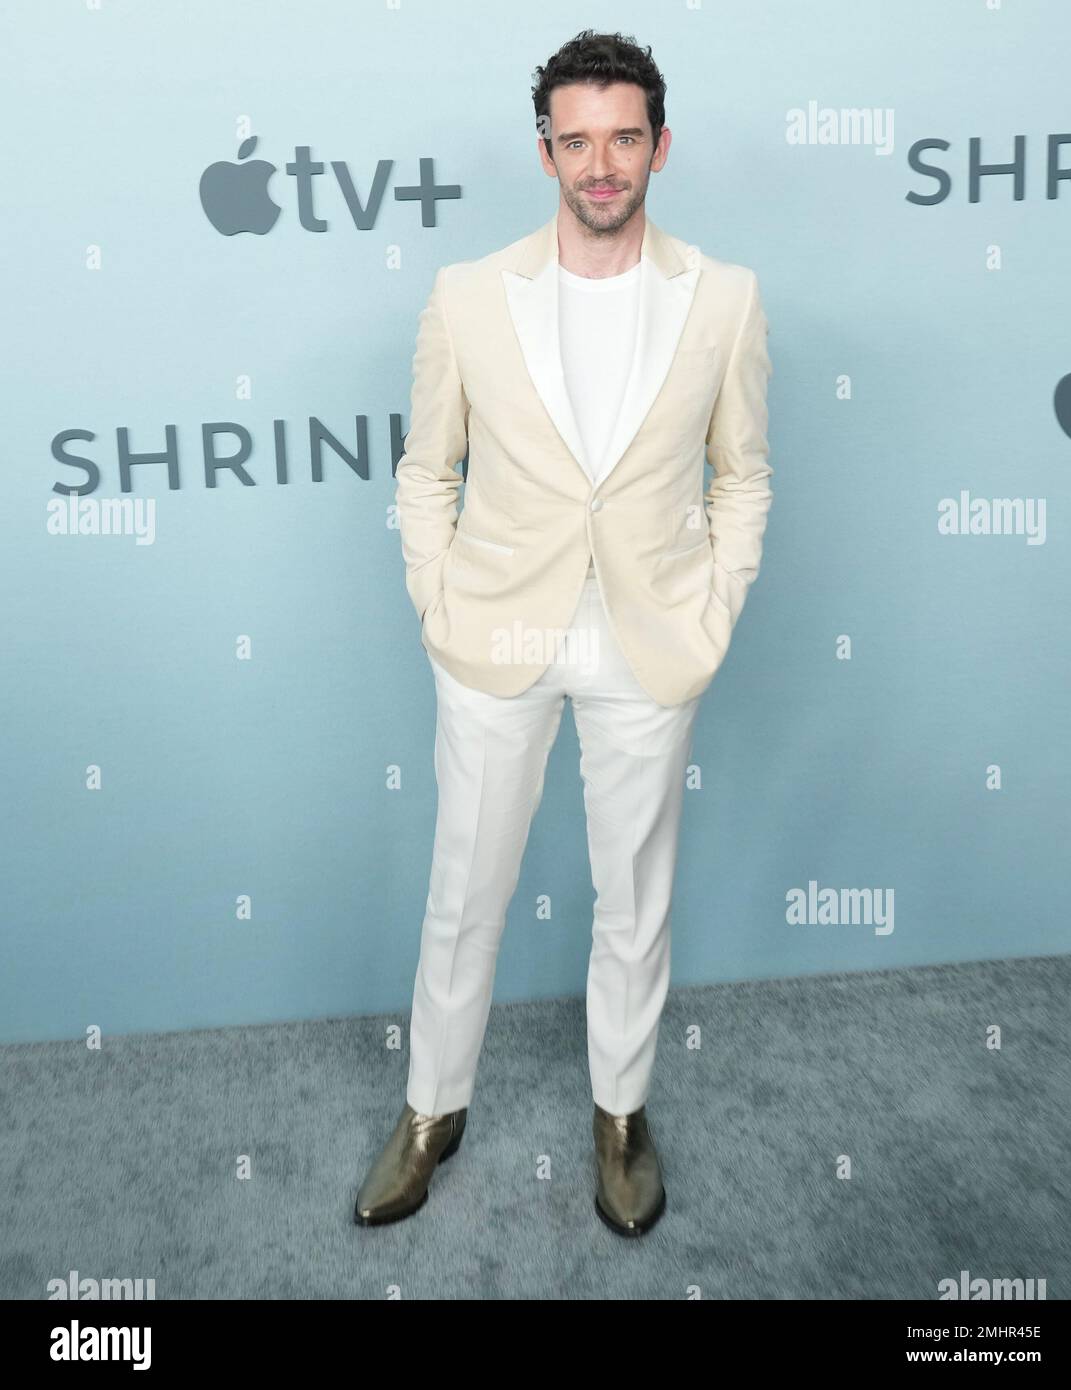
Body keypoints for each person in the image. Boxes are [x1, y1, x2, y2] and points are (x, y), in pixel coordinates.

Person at [354, 28, 773, 1236]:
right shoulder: (468, 295)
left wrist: (714, 603)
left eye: (623, 138)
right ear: (544, 150)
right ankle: (432, 1110)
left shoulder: (727, 299)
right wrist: (439, 601)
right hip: (495, 634)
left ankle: (620, 1114)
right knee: (462, 891)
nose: (601, 164)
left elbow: (741, 474)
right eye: (576, 140)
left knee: (633, 896)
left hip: (648, 641)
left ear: (659, 146)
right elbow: (424, 470)